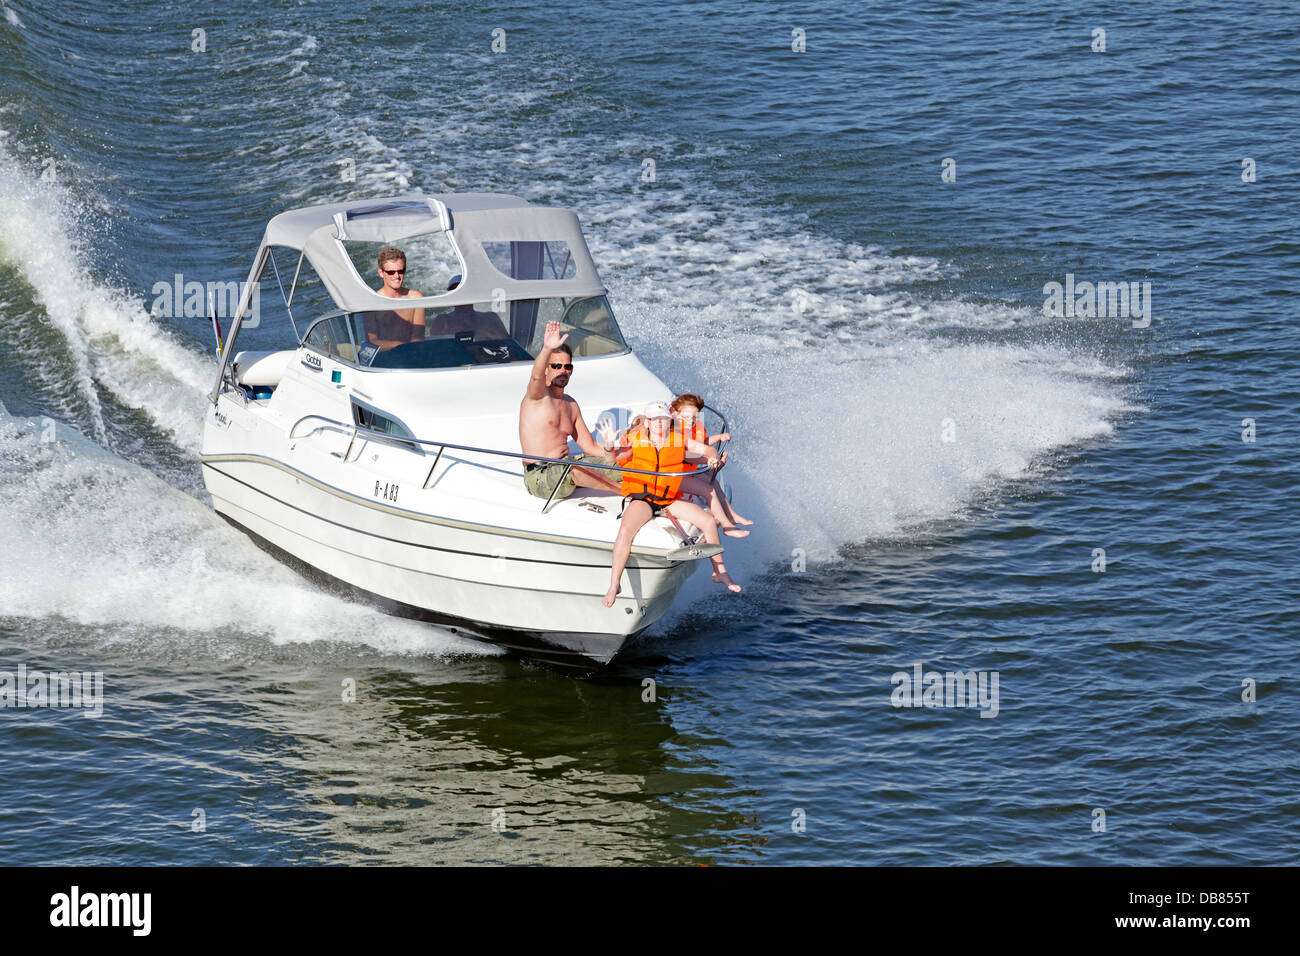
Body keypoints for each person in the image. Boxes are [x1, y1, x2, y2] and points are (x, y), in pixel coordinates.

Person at [603, 402, 741, 607]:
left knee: (709, 521)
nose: (659, 424)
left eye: (663, 419)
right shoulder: (635, 440)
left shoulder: (679, 440)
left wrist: (713, 460)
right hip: (644, 498)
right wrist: (608, 444)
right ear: (648, 422)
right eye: (655, 420)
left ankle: (719, 572)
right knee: (625, 531)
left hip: (668, 498)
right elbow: (613, 457)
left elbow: (706, 449)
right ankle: (615, 584)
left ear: (669, 422)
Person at [519, 321, 622, 500]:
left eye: (567, 367)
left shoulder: (571, 405)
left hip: (567, 465)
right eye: (556, 366)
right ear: (547, 369)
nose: (562, 371)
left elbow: (589, 447)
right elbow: (536, 375)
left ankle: (658, 490)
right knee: (574, 469)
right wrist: (546, 348)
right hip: (540, 476)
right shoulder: (537, 396)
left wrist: (614, 448)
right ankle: (623, 490)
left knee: (623, 462)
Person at [671, 392, 754, 534]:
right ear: (676, 414)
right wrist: (708, 460)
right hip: (675, 473)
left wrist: (719, 437)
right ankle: (727, 526)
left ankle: (731, 515)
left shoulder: (688, 427)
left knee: (713, 481)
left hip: (685, 471)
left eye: (694, 417)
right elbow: (687, 456)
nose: (690, 420)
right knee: (708, 489)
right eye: (686, 417)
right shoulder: (676, 431)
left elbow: (701, 443)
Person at [363, 247, 425, 350]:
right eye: (391, 272)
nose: (397, 276)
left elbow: (418, 337)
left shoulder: (416, 298)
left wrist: (406, 350)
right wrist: (399, 346)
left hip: (413, 353)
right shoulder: (372, 303)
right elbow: (372, 341)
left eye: (400, 271)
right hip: (383, 358)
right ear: (381, 273)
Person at [427, 275, 510, 340]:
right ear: (450, 296)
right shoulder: (443, 320)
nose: (459, 294)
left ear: (472, 293)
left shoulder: (491, 317)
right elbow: (437, 348)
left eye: (463, 290)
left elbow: (508, 344)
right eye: (455, 291)